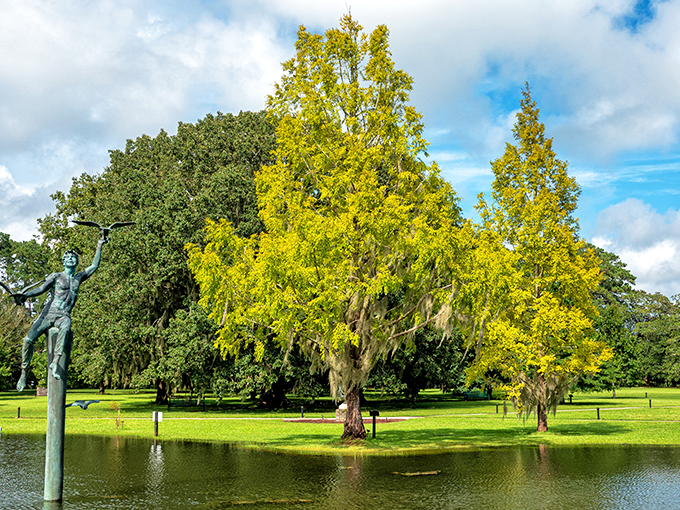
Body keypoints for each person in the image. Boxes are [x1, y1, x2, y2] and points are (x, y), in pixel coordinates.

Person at [15, 238, 107, 392]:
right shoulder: (56, 276)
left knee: (66, 328)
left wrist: (99, 245)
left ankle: (55, 363)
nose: (71, 259)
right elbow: (41, 289)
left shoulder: (78, 278)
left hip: (64, 315)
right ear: (64, 262)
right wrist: (25, 296)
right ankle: (24, 372)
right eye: (68, 257)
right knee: (28, 340)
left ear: (77, 262)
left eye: (73, 257)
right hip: (49, 313)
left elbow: (94, 265)